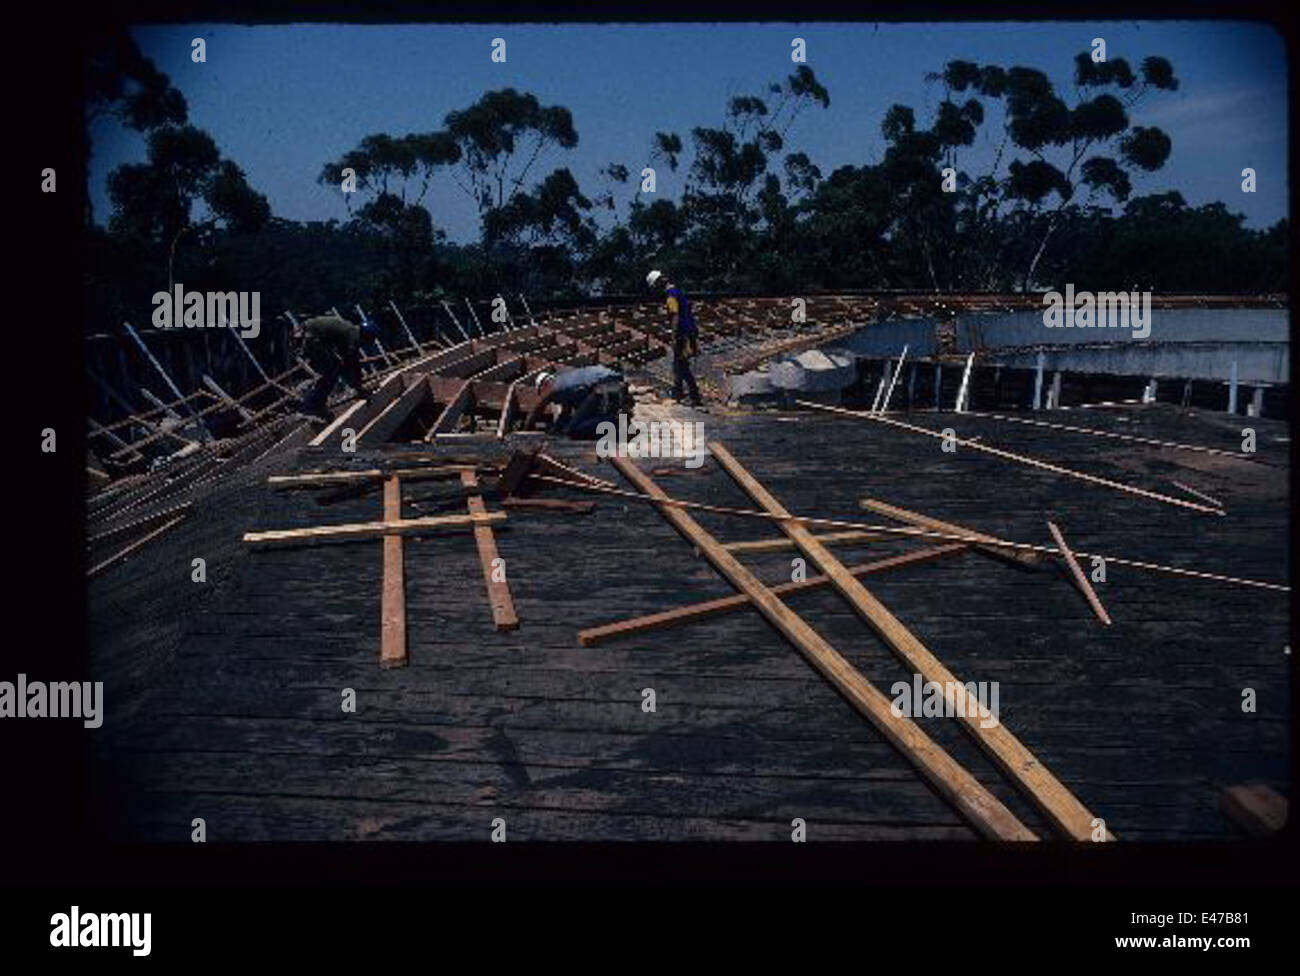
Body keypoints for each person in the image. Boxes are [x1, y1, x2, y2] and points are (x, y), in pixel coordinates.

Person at [295, 313, 374, 418]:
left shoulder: (349, 331)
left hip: (310, 335)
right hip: (310, 337)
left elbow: (345, 363)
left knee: (333, 369)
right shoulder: (353, 337)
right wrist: (359, 388)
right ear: (367, 338)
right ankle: (309, 408)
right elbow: (352, 364)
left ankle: (316, 405)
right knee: (330, 373)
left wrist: (356, 385)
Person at [523, 364, 630, 438]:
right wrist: (556, 429)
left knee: (572, 430)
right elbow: (566, 412)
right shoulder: (565, 384)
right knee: (580, 422)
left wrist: (525, 429)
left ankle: (616, 422)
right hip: (614, 380)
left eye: (540, 391)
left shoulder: (551, 386)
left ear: (544, 385)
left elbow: (537, 408)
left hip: (602, 385)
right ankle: (615, 420)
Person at [646, 269, 702, 406]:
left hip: (682, 334)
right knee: (678, 365)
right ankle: (679, 393)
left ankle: (694, 396)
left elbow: (675, 316)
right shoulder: (677, 292)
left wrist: (673, 335)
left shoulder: (670, 296)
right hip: (689, 331)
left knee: (682, 365)